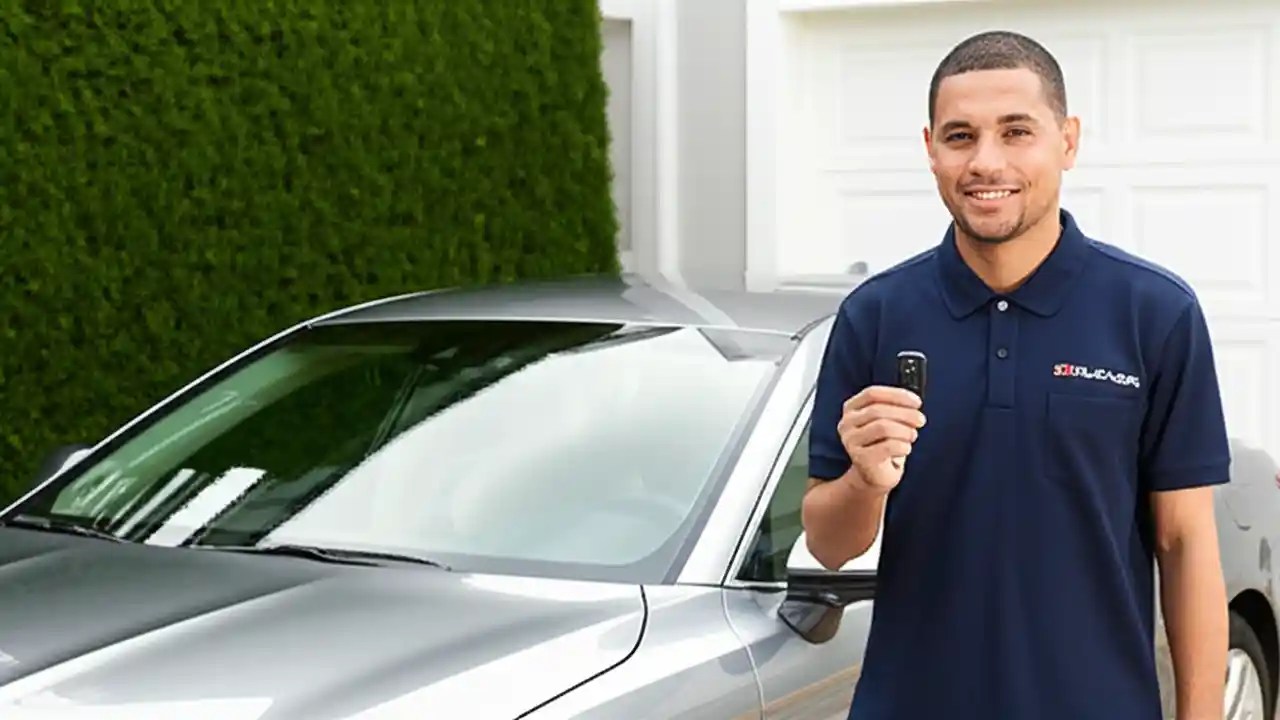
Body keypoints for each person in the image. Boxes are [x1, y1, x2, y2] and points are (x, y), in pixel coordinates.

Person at [800, 29, 1231, 720]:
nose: (986, 161)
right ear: (930, 149)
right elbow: (828, 543)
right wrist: (864, 481)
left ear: (1067, 140)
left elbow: (1184, 541)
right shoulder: (876, 315)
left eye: (1016, 132)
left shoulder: (1154, 313)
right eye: (961, 136)